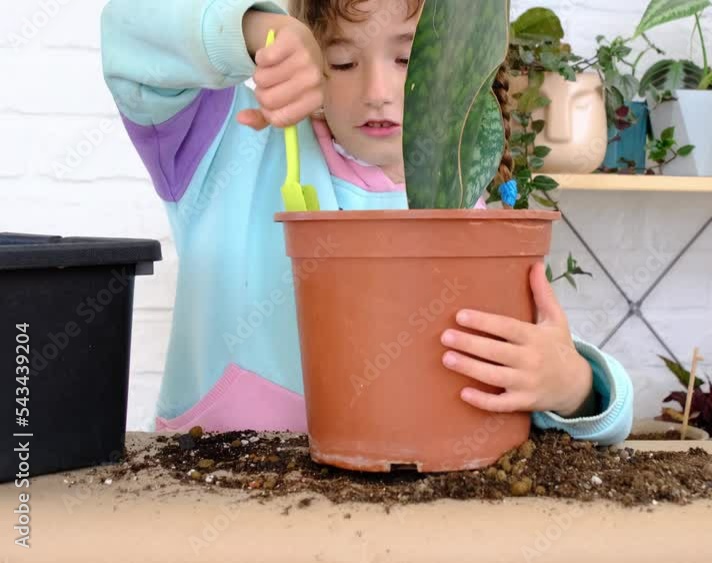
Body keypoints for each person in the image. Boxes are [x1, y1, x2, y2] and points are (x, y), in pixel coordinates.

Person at [100, 0, 633, 444]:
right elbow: (128, 33)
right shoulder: (224, 144)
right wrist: (260, 30)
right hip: (209, 500)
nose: (377, 89)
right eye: (341, 60)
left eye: (406, 59)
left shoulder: (466, 211)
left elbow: (527, 380)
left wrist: (574, 385)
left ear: (458, 67)